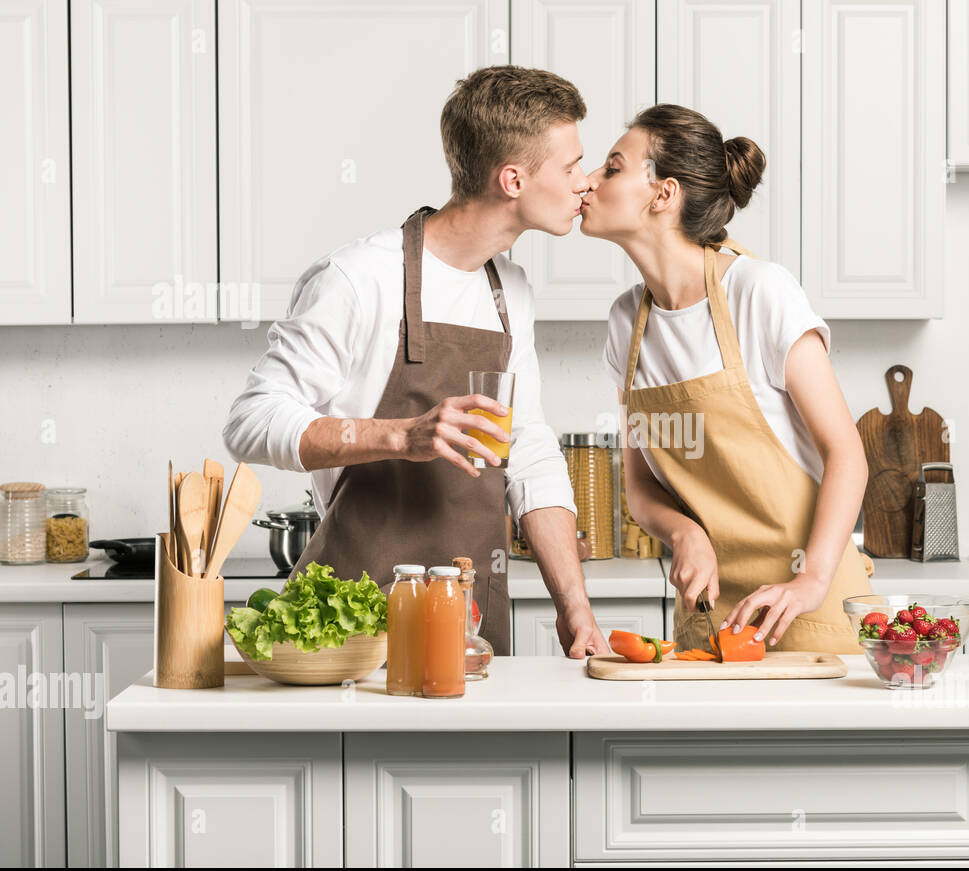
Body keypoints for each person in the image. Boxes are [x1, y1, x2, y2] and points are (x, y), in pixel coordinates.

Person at [223, 66, 608, 658]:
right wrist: (403, 434)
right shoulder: (358, 278)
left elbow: (527, 449)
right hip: (351, 632)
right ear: (512, 179)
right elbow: (251, 423)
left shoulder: (511, 291)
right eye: (571, 165)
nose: (587, 182)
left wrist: (575, 608)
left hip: (468, 623)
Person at [581, 104, 873, 653]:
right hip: (707, 615)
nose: (587, 181)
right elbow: (641, 491)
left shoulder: (759, 292)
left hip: (803, 608)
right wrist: (684, 533)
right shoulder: (627, 323)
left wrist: (810, 581)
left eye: (611, 167)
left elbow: (847, 454)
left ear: (662, 194)